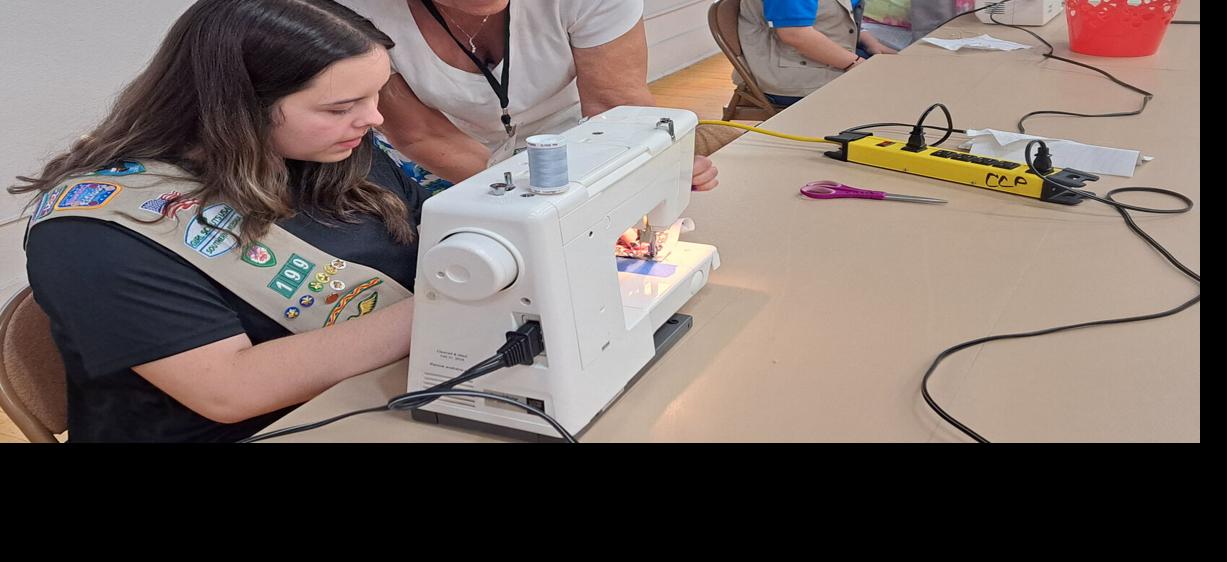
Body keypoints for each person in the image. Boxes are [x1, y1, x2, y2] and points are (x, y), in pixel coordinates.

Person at [10, 0, 426, 442]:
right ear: (239, 106)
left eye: (376, 93)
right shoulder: (93, 235)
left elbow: (434, 236)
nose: (374, 118)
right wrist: (441, 312)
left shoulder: (334, 151)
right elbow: (230, 390)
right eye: (340, 107)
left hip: (379, 396)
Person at [338, 1, 718, 191]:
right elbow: (421, 133)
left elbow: (615, 107)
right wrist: (531, 193)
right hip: (438, 159)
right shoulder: (350, 11)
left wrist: (645, 165)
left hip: (571, 140)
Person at [737, 0, 898, 109]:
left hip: (827, 57)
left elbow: (833, 17)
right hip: (793, 75)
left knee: (898, 77)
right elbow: (794, 34)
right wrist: (854, 63)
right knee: (892, 93)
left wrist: (870, 43)